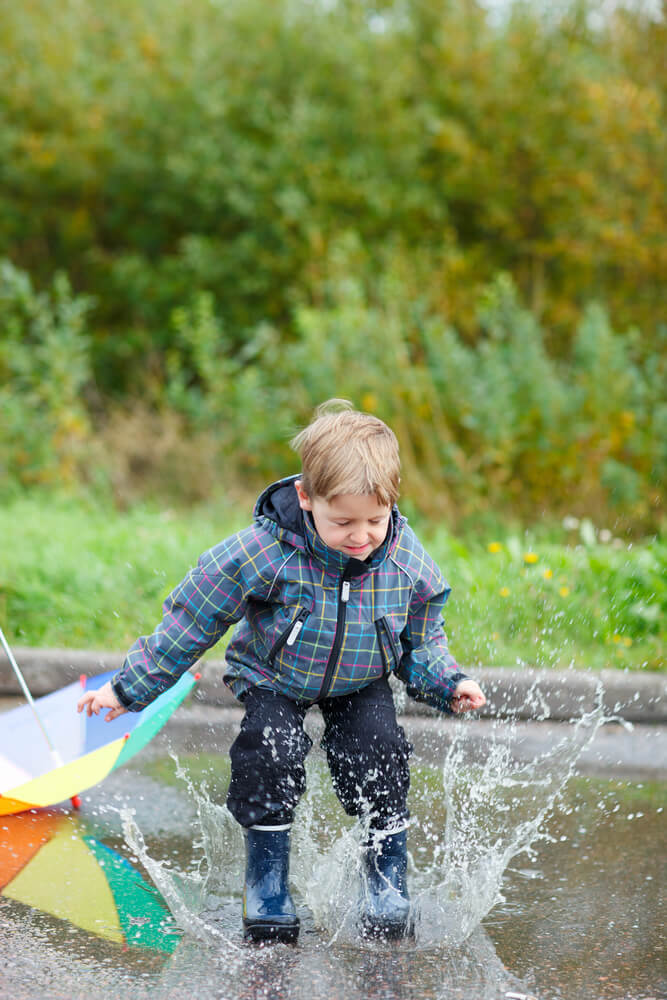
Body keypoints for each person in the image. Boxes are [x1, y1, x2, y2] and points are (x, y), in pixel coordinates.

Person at [77, 400, 485, 944]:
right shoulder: (264, 551)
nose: (361, 535)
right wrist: (128, 690)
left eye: (375, 519)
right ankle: (267, 882)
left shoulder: (404, 561)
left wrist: (447, 682)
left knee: (379, 750)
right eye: (342, 521)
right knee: (270, 750)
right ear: (305, 498)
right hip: (276, 675)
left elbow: (422, 639)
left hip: (362, 678)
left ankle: (386, 879)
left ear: (392, 504)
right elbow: (194, 619)